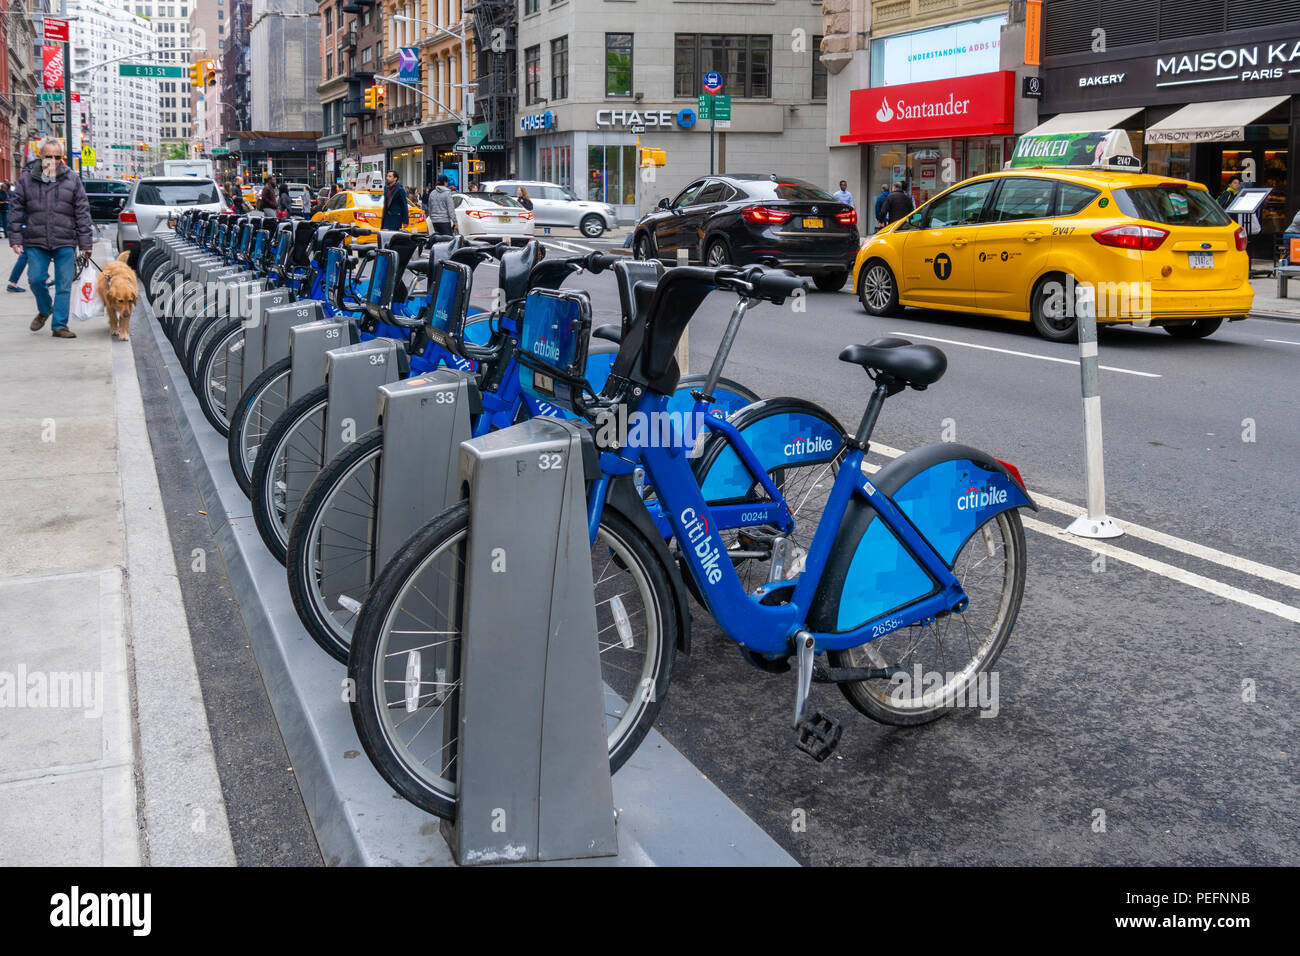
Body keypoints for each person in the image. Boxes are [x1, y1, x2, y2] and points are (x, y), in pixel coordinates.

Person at [7, 137, 94, 339]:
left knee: (64, 285)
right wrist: (15, 238)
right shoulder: (26, 179)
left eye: (57, 157)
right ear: (40, 156)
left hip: (65, 240)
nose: (53, 161)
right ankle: (45, 310)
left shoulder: (72, 179)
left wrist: (85, 244)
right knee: (36, 280)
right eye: (48, 156)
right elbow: (16, 209)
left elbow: (82, 212)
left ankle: (60, 325)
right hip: (36, 240)